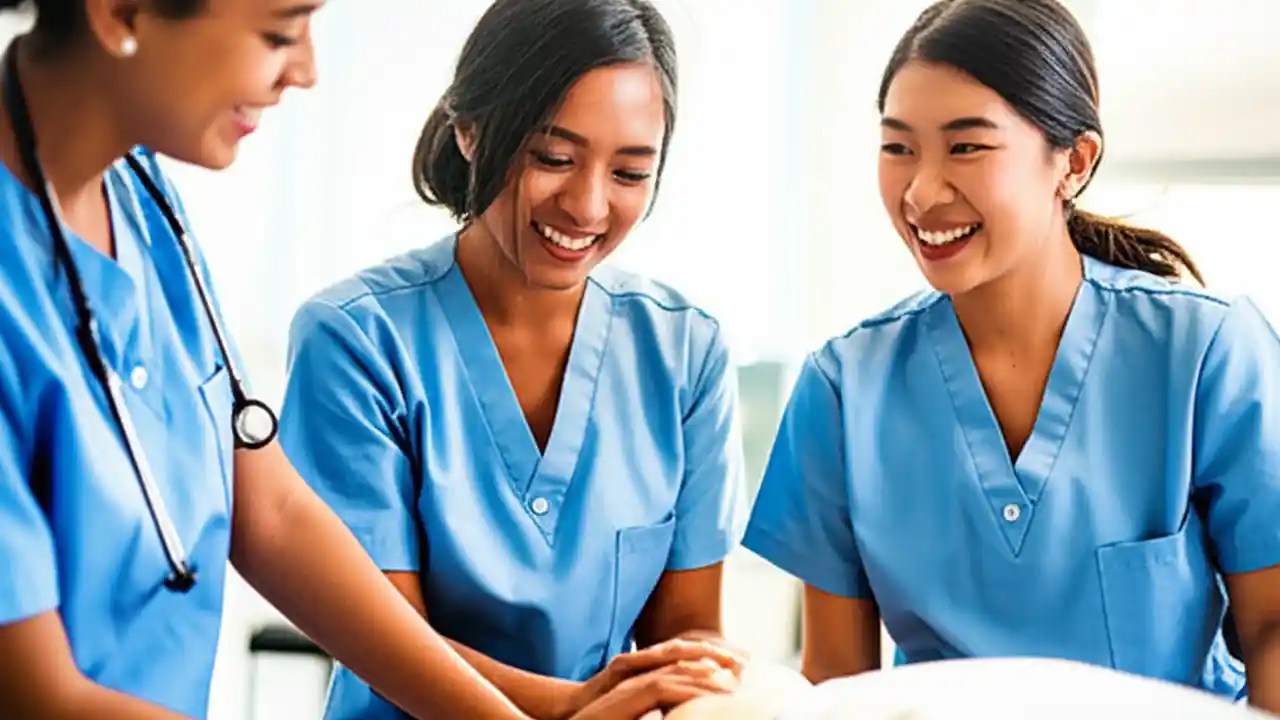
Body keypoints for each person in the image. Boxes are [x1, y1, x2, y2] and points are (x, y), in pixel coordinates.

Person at [0, 1, 739, 718]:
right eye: (280, 29)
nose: (309, 70)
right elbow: (34, 693)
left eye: (629, 171)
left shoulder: (144, 208)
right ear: (118, 10)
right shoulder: (358, 333)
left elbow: (274, 512)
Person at [741, 0, 1280, 713]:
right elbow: (840, 687)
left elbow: (1273, 626)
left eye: (966, 147)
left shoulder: (1206, 354)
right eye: (899, 147)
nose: (922, 191)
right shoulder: (842, 391)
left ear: (1074, 162)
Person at [277, 0, 749, 717]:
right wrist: (570, 705)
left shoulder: (686, 353)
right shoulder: (355, 340)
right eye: (552, 158)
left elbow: (684, 642)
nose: (587, 207)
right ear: (469, 130)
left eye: (628, 173)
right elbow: (379, 640)